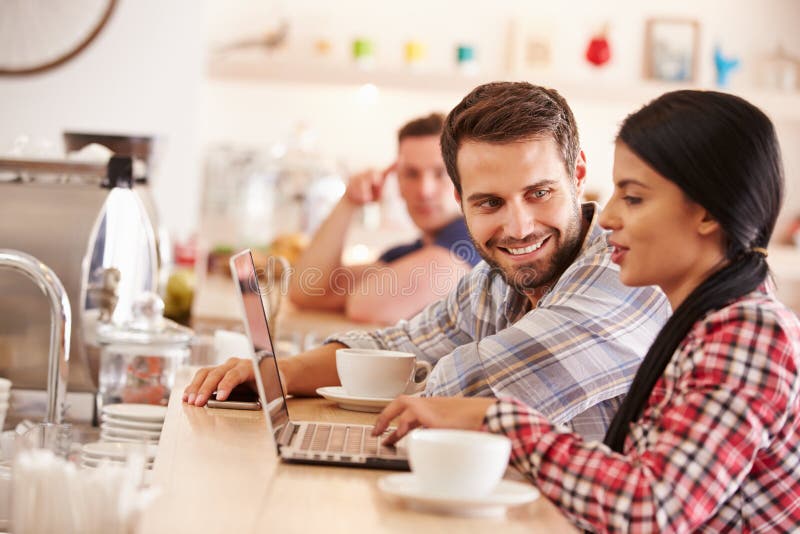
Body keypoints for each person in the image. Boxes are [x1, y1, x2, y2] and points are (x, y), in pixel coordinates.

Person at [373, 90, 800, 532]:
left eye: (633, 198)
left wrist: (494, 419)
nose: (608, 217)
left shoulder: (751, 330)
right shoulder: (702, 323)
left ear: (707, 213)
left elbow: (650, 509)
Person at [184, 82, 670, 441]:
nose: (519, 226)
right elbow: (398, 344)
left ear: (577, 173)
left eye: (539, 193)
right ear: (462, 201)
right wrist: (278, 373)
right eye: (489, 202)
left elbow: (476, 388)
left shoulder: (623, 271)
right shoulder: (493, 281)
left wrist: (409, 374)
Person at [288, 113, 478, 325]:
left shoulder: (473, 241)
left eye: (441, 173)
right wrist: (349, 201)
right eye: (411, 174)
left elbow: (368, 306)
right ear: (396, 181)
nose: (424, 190)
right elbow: (307, 292)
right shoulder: (407, 254)